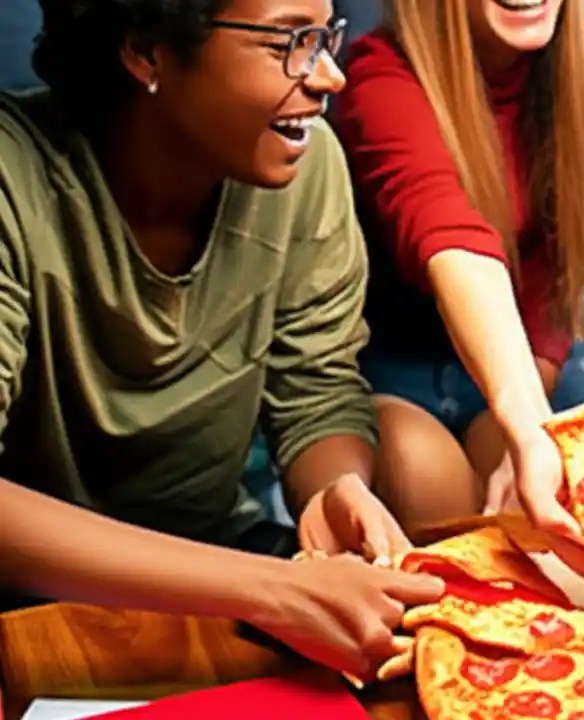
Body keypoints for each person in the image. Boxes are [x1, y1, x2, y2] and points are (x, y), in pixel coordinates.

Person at [0, 0, 447, 679]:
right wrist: (271, 591)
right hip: (29, 602)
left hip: (229, 564)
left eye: (326, 37)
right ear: (148, 52)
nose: (331, 76)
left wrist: (334, 489)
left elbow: (318, 393)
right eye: (290, 42)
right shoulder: (12, 179)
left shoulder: (306, 162)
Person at [334, 0, 584, 537]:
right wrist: (529, 425)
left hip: (527, 362)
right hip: (388, 368)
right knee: (427, 481)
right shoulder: (377, 73)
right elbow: (449, 233)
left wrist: (528, 416)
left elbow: (558, 273)